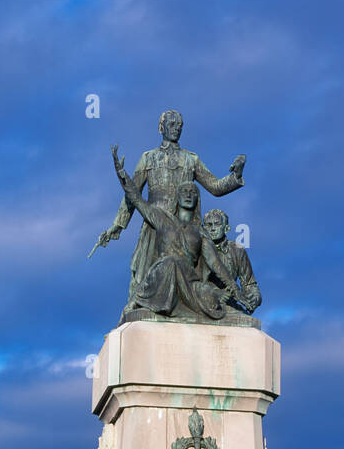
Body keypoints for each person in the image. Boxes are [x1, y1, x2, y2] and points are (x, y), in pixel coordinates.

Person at [96, 110, 245, 309]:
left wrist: (236, 176)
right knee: (143, 280)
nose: (176, 129)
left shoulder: (191, 159)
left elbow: (215, 187)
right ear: (161, 127)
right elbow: (132, 195)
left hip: (186, 228)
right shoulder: (148, 158)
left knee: (190, 278)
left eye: (179, 126)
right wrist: (118, 225)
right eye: (172, 124)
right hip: (154, 224)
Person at [111, 146, 238, 321]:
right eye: (184, 192)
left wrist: (234, 289)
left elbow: (215, 263)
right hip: (156, 230)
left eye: (192, 192)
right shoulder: (149, 158)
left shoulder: (200, 232)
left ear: (197, 199)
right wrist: (122, 174)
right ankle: (135, 305)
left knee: (209, 296)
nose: (188, 195)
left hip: (189, 280)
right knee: (158, 267)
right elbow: (136, 197)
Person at [201, 209, 262, 313]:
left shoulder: (237, 250)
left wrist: (255, 297)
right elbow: (192, 282)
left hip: (231, 302)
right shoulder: (197, 248)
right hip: (204, 302)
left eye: (217, 224)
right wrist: (214, 293)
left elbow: (249, 284)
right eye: (209, 225)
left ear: (226, 228)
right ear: (203, 228)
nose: (212, 229)